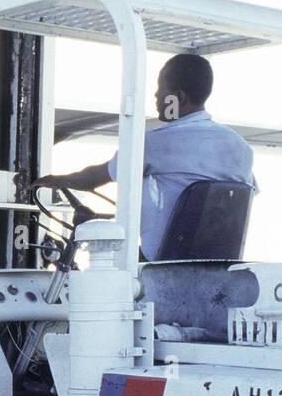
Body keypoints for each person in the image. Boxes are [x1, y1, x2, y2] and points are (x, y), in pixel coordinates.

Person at [33, 53, 255, 261]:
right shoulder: (241, 148)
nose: (156, 95)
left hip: (157, 264)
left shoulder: (156, 142)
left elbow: (94, 178)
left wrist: (53, 180)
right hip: (216, 264)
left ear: (179, 97)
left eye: (161, 88)